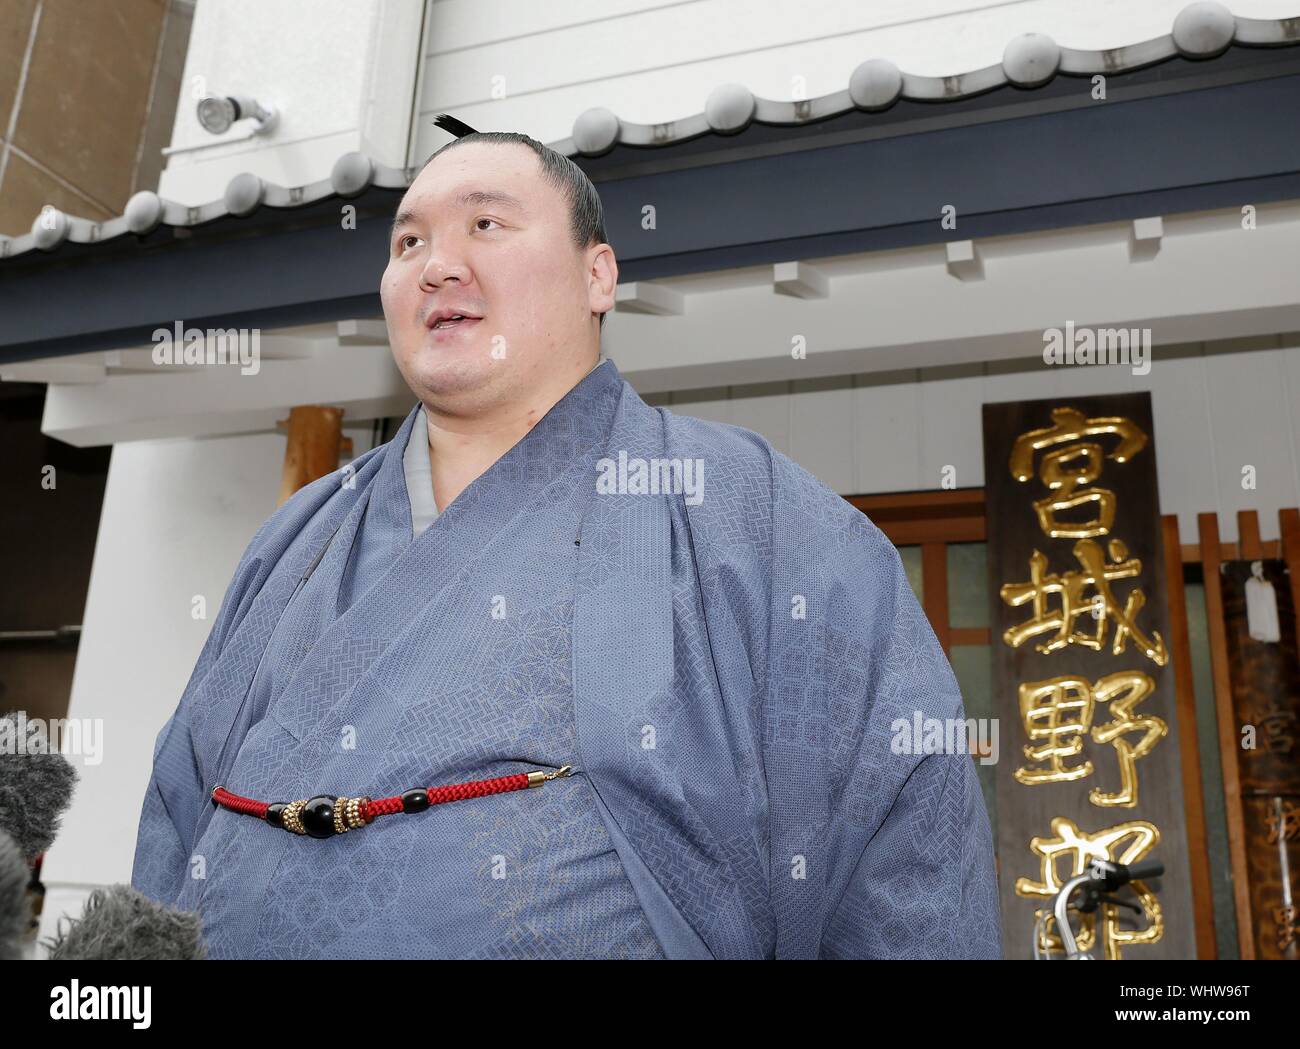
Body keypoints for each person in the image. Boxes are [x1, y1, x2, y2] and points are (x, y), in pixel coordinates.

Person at [130, 125, 1002, 959]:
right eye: (407, 245)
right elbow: (178, 808)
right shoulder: (299, 537)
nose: (438, 265)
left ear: (598, 276)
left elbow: (900, 831)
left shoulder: (746, 509)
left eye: (486, 223)